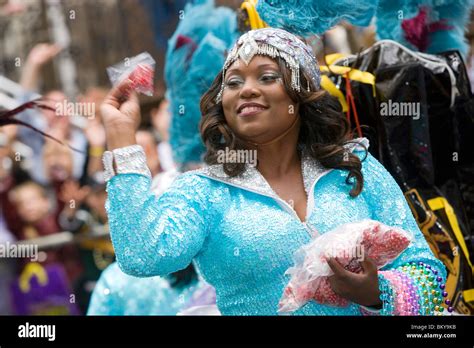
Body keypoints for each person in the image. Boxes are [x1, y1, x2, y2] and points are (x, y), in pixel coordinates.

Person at [100, 28, 447, 315]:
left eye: (267, 77)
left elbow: (427, 272)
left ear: (300, 96)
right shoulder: (204, 190)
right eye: (233, 82)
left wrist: (377, 292)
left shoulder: (355, 169)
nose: (247, 89)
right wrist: (120, 137)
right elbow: (141, 255)